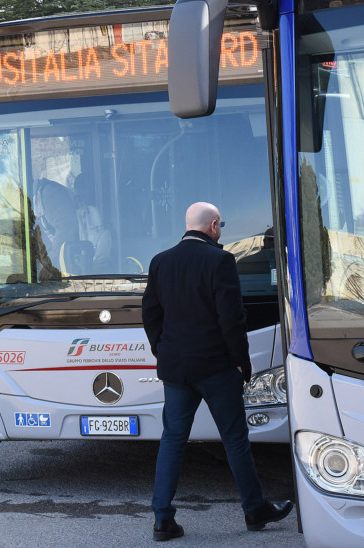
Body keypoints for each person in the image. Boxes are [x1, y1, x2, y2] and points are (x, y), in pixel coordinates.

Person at [142, 201, 292, 541]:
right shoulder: (220, 261)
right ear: (213, 226)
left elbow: (150, 314)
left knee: (173, 439)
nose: (221, 230)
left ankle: (162, 519)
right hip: (216, 367)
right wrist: (242, 360)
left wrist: (163, 350)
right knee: (235, 439)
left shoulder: (160, 261)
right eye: (220, 225)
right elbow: (232, 318)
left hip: (176, 369)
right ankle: (254, 509)